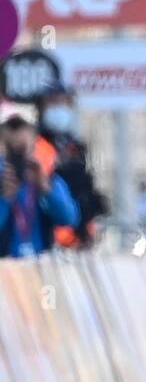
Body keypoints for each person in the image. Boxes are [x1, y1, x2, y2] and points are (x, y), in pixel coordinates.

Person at [34, 81, 107, 249]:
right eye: (53, 103)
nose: (59, 108)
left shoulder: (75, 147)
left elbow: (86, 193)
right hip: (50, 241)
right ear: (41, 109)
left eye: (64, 102)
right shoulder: (37, 147)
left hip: (78, 241)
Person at [0, 113, 79, 258]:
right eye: (11, 146)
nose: (17, 151)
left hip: (39, 268)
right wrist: (4, 199)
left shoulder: (47, 177)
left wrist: (47, 189)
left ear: (34, 140)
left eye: (22, 147)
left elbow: (69, 219)